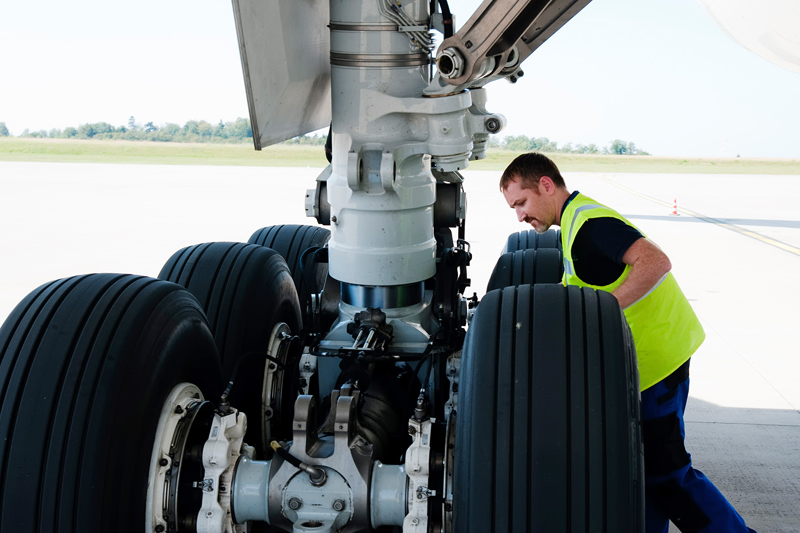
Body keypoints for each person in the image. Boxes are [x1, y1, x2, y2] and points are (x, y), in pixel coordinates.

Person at [499, 152, 755, 533]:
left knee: (668, 475)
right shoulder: (571, 223)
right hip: (644, 364)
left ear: (547, 186)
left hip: (659, 362)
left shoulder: (589, 223)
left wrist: (605, 310)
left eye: (521, 202)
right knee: (646, 472)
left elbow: (655, 261)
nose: (519, 215)